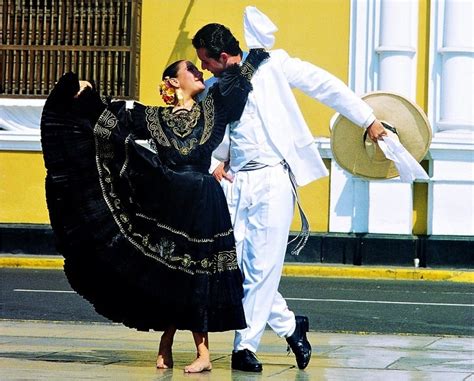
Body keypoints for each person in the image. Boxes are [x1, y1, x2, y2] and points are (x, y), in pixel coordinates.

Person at [40, 50, 269, 373]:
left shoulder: (212, 110)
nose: (198, 72)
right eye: (191, 68)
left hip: (205, 203)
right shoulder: (154, 117)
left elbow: (236, 90)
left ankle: (203, 354)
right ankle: (166, 344)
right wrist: (85, 95)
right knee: (171, 274)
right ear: (174, 81)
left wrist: (252, 60)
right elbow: (109, 122)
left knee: (199, 274)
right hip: (170, 199)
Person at [191, 7, 387, 372]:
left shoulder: (271, 65)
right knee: (234, 269)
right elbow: (205, 139)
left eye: (207, 62)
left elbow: (324, 85)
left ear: (222, 55)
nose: (204, 71)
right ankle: (290, 325)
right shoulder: (216, 90)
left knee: (263, 268)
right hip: (235, 181)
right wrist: (212, 164)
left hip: (273, 178)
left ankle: (243, 346)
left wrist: (368, 118)